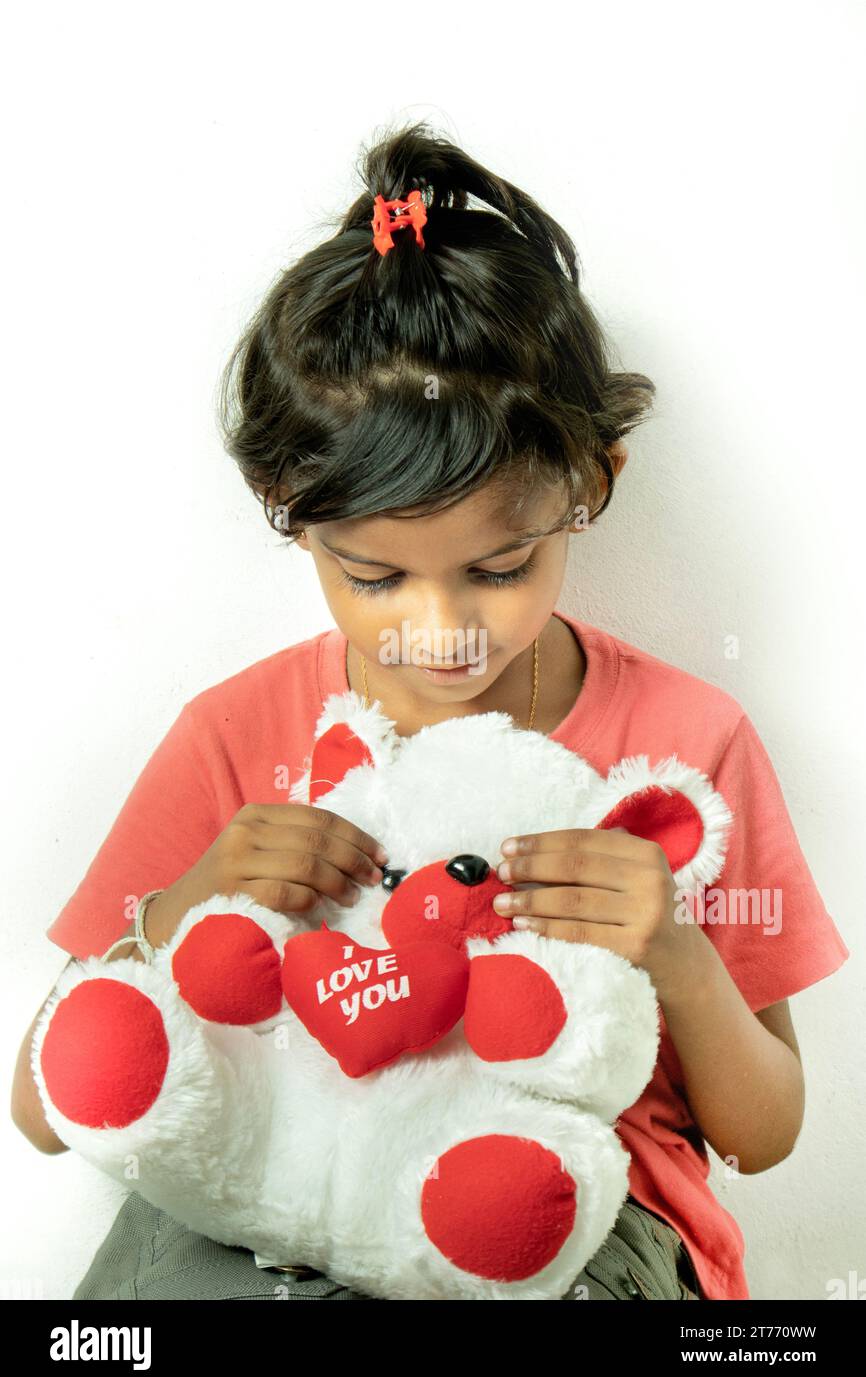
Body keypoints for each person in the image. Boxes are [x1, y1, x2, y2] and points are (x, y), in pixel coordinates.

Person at [11, 121, 848, 1302]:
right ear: (285, 505)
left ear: (588, 486)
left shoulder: (683, 744)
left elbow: (764, 1134)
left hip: (566, 1210)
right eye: (374, 577)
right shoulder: (235, 732)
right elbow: (44, 1110)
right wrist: (192, 899)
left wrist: (671, 951)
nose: (439, 626)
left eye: (497, 569)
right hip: (273, 1184)